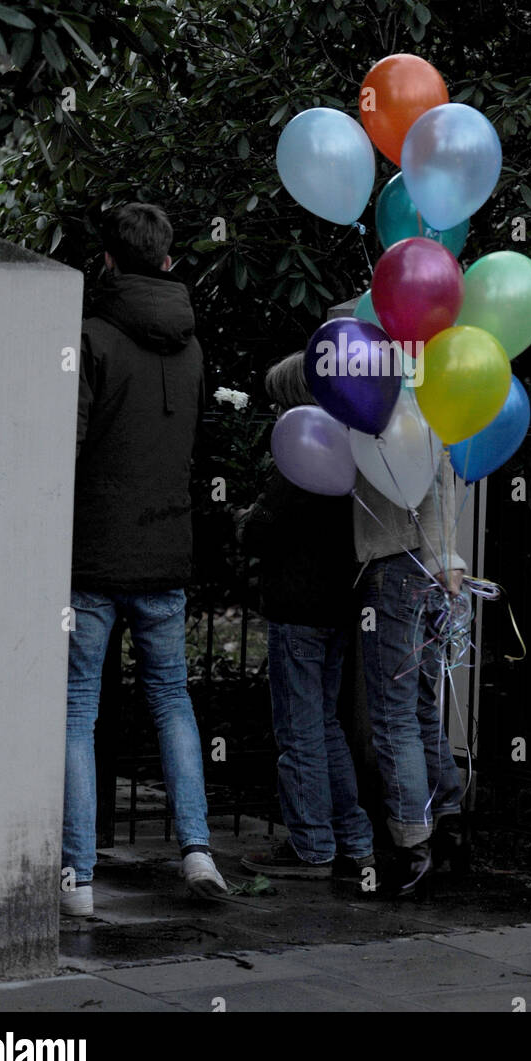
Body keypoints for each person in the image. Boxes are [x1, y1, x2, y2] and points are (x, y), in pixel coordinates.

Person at [61, 202, 229, 917]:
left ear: (106, 261)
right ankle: (197, 850)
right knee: (171, 702)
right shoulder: (190, 348)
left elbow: (65, 445)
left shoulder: (91, 338)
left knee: (77, 712)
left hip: (93, 557)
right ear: (166, 262)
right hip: (166, 553)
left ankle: (78, 876)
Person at [237, 352, 375, 880]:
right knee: (326, 726)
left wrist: (243, 519)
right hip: (337, 605)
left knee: (298, 731)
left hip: (296, 609)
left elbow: (261, 529)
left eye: (277, 401)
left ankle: (311, 845)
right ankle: (353, 837)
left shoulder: (298, 455)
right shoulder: (351, 446)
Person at [354, 453, 468, 897]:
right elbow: (440, 479)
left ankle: (412, 847)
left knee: (394, 713)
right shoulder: (424, 401)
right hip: (435, 568)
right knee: (420, 707)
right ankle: (449, 827)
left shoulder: (382, 401)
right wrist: (445, 554)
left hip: (396, 561)